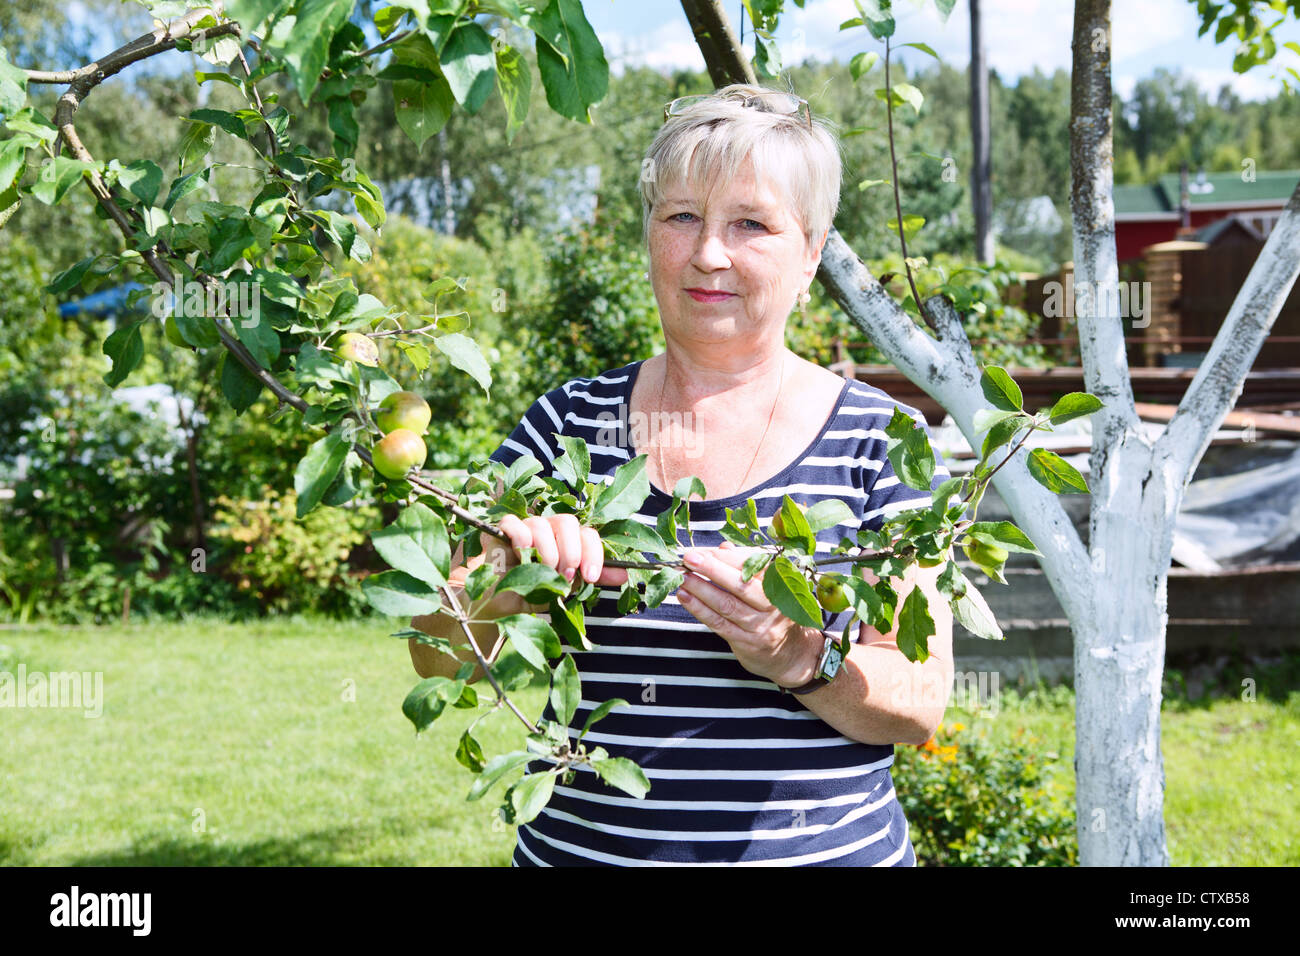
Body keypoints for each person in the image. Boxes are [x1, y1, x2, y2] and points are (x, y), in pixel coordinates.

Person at [410, 84, 955, 866]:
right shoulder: (568, 424)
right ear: (649, 234)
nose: (708, 253)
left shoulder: (880, 439)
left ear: (810, 252)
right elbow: (436, 657)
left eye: (751, 223)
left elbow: (919, 701)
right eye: (682, 217)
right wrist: (503, 575)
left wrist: (798, 655)